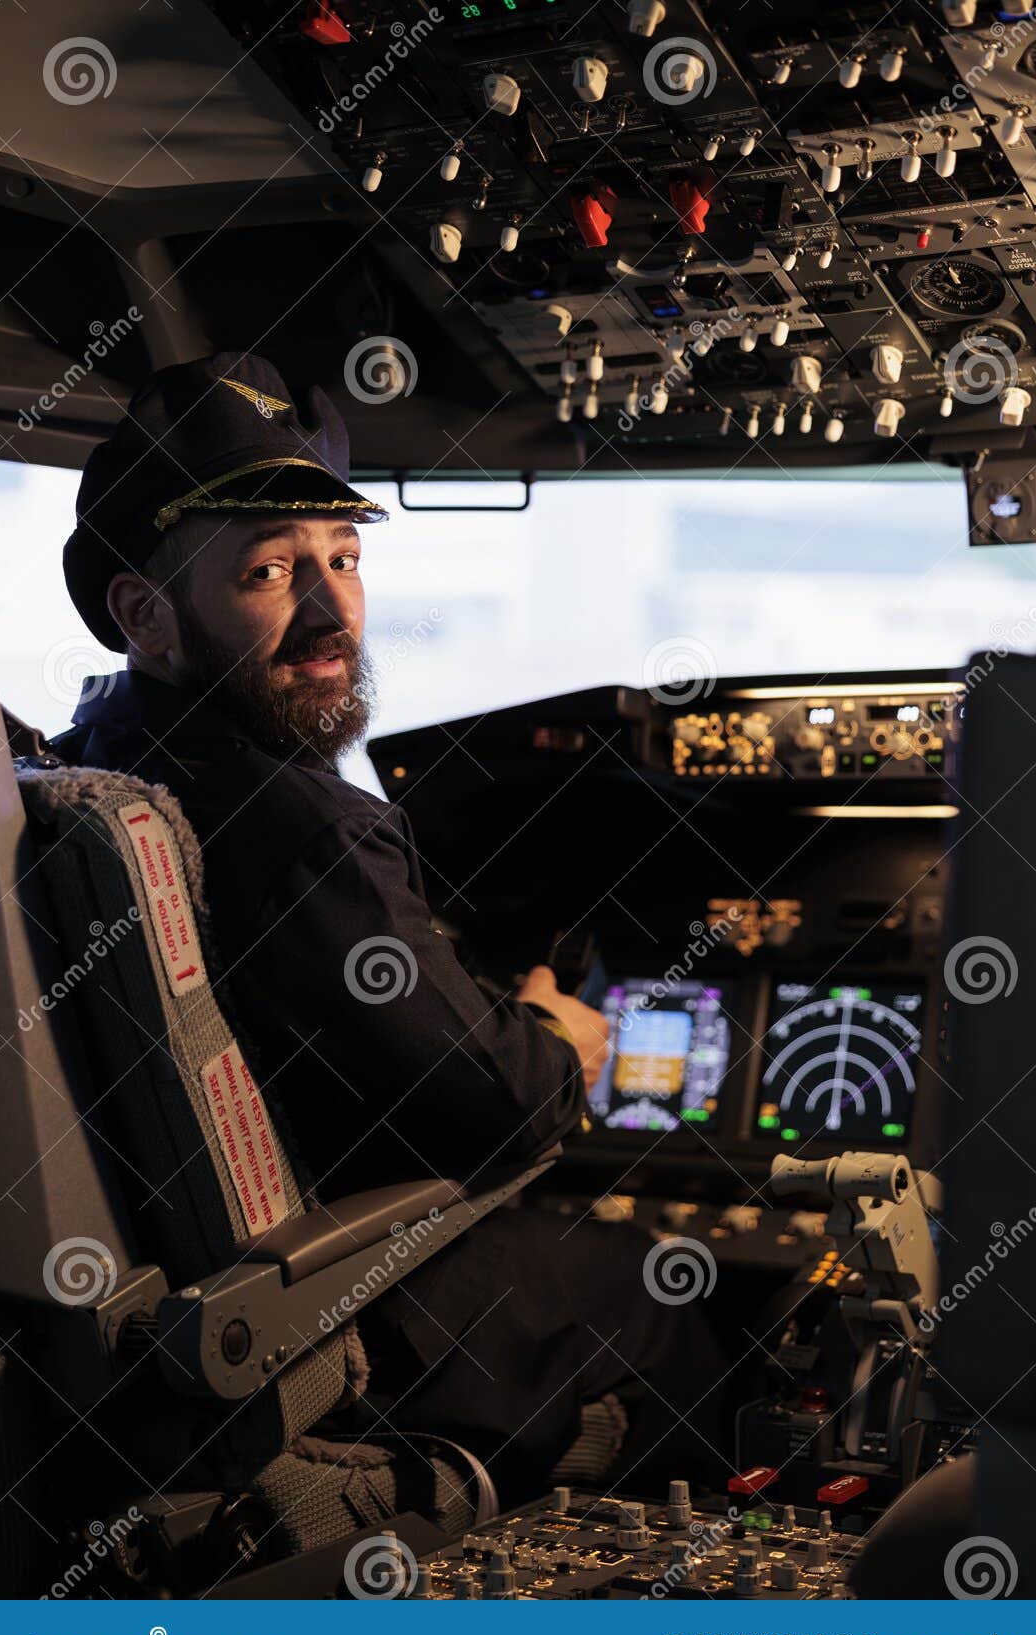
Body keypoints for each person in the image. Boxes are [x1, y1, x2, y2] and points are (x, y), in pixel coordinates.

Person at [55, 351, 728, 1502]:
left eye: (344, 559)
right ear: (145, 614)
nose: (329, 613)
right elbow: (494, 1110)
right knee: (670, 1291)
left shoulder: (80, 768)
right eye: (270, 571)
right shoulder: (302, 824)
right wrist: (549, 1039)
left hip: (147, 1321)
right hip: (328, 1321)